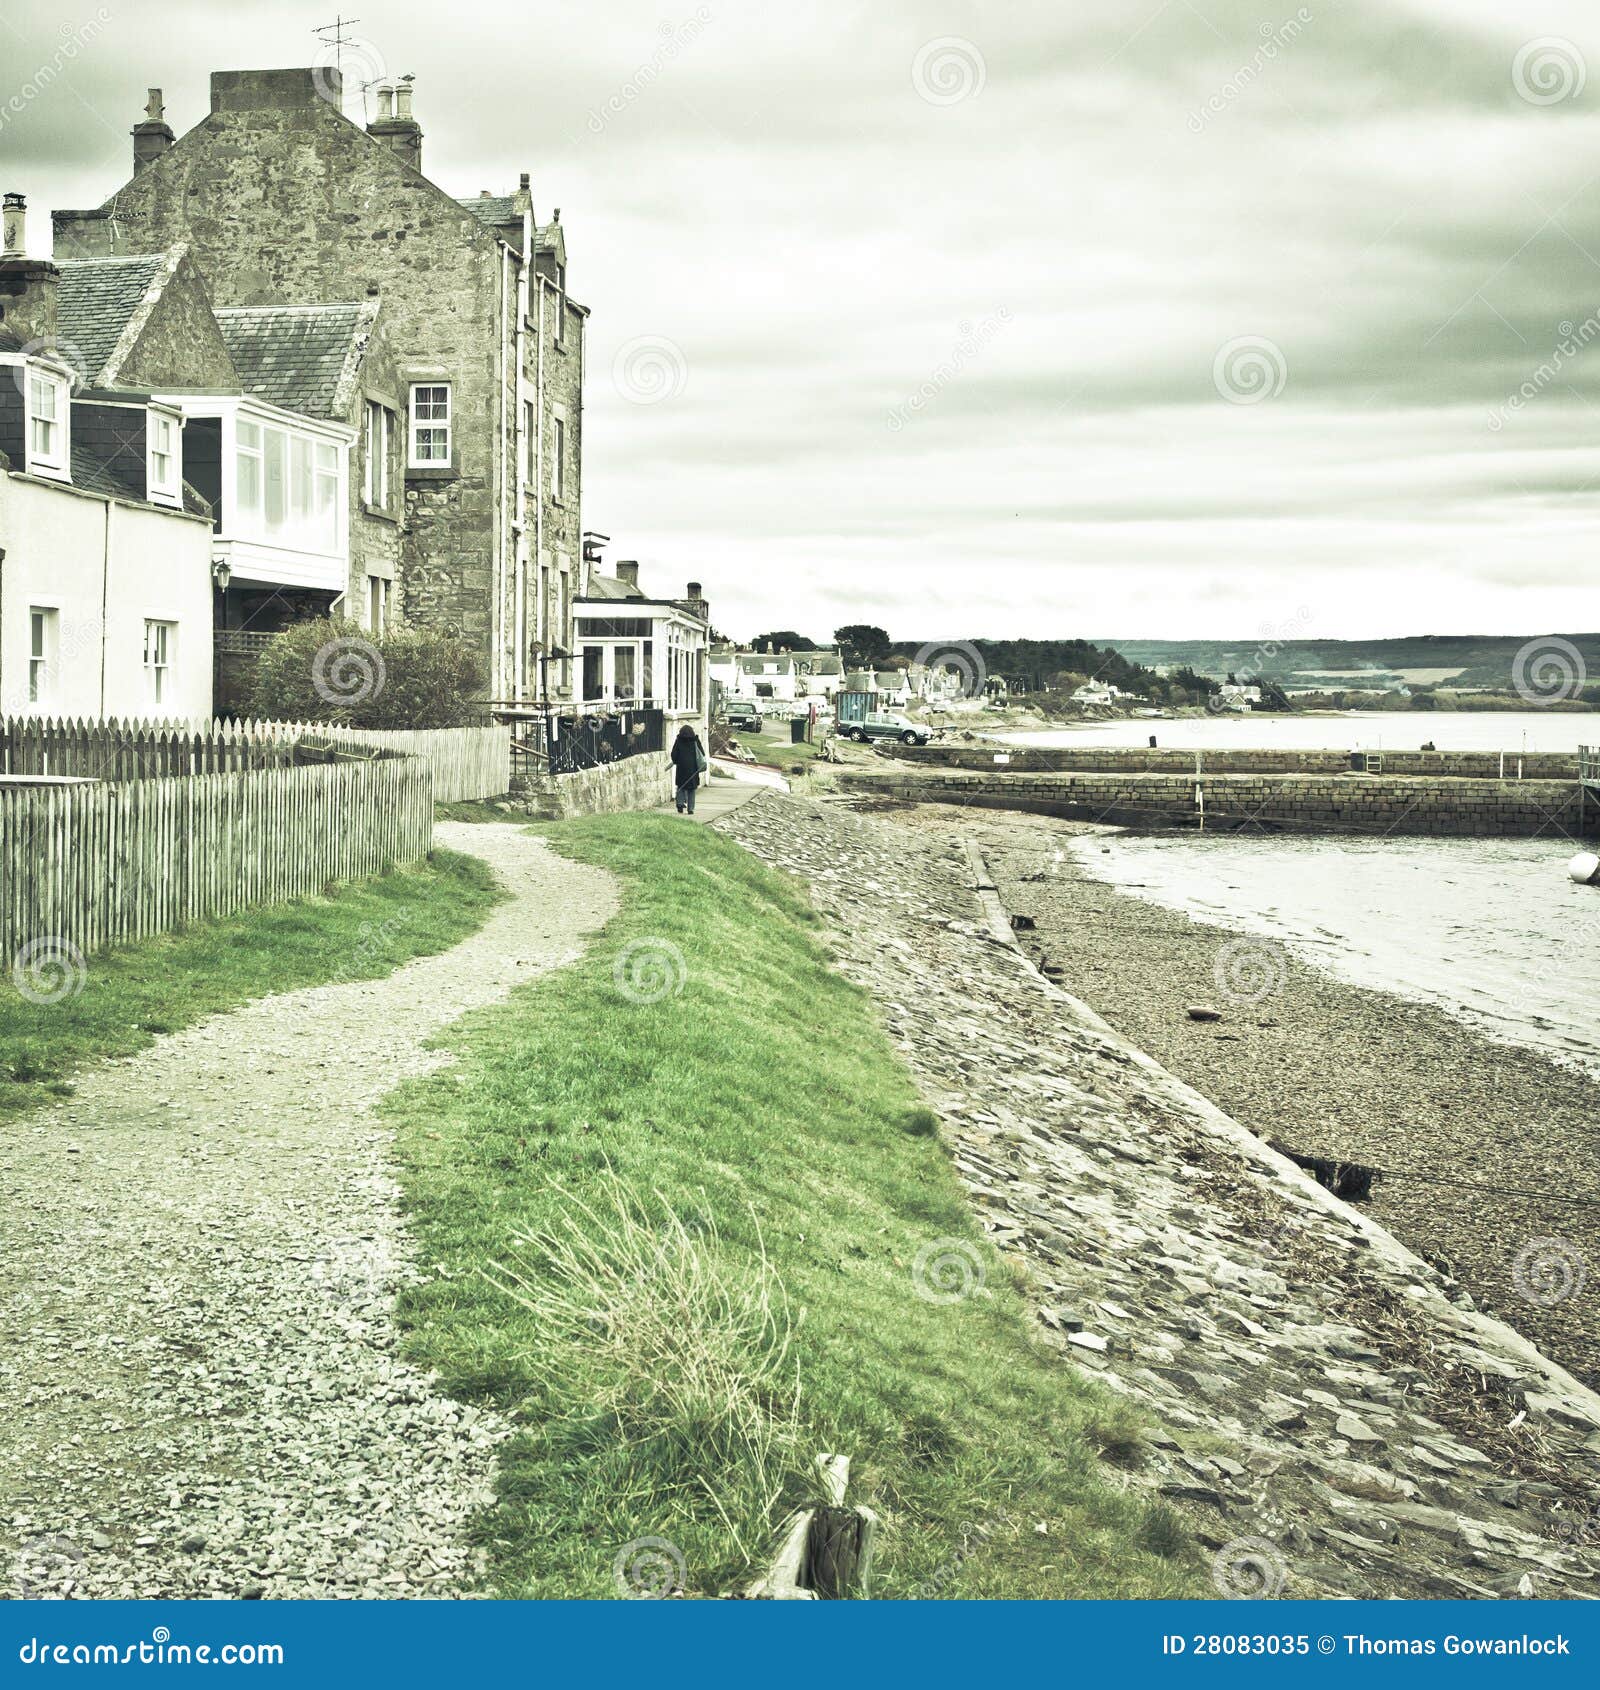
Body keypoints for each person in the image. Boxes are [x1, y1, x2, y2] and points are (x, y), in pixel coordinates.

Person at [670, 722, 708, 814]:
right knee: (692, 789)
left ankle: (679, 803)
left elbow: (674, 754)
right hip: (693, 768)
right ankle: (690, 809)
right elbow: (702, 753)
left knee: (681, 786)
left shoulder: (678, 741)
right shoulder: (695, 741)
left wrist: (676, 761)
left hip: (681, 767)